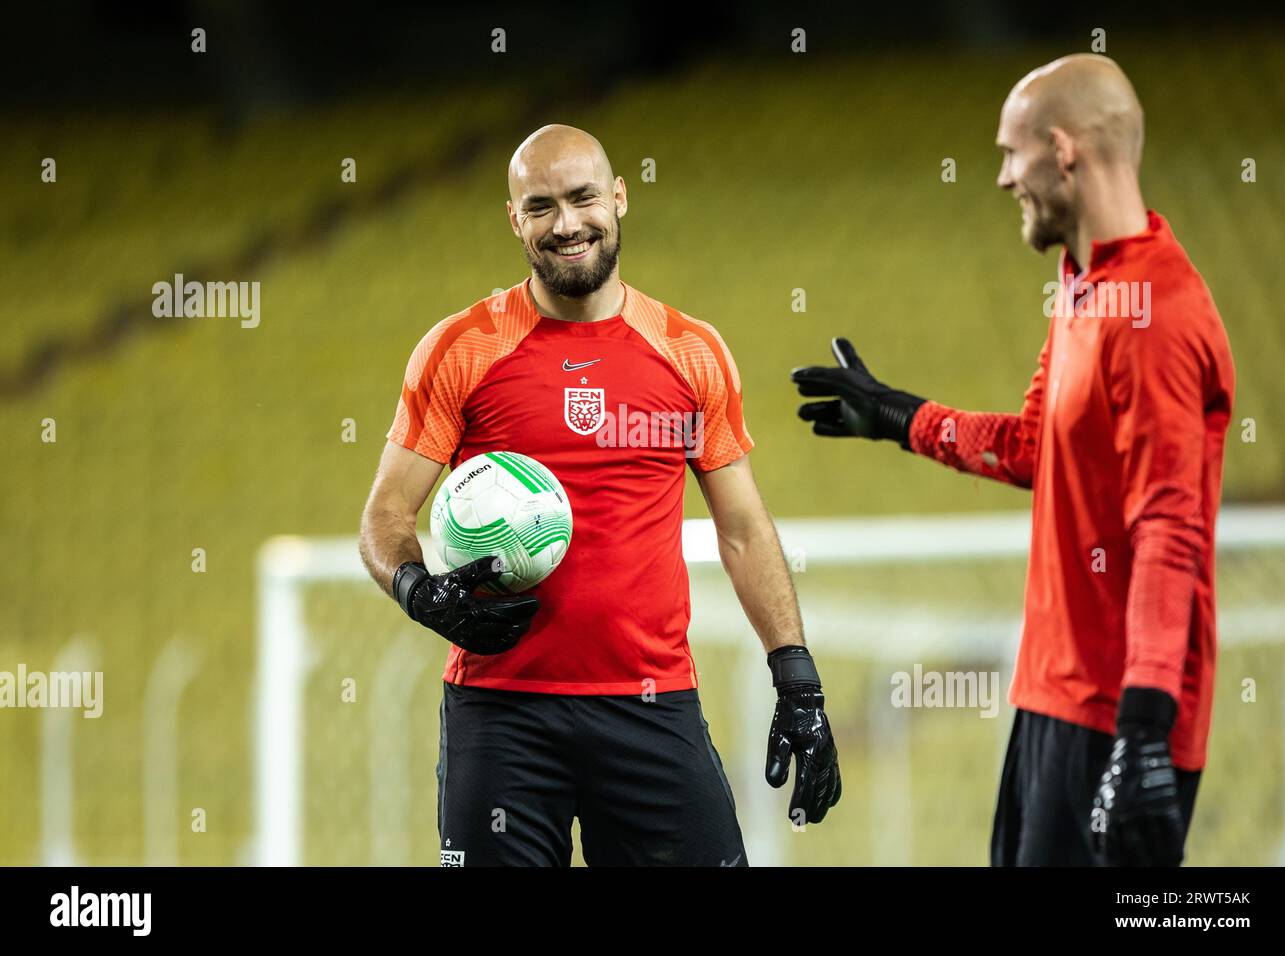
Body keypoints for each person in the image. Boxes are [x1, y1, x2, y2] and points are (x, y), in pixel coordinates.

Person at [792, 55, 1234, 866]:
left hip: (1116, 715)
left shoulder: (1156, 313)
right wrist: (898, 415)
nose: (1001, 178)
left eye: (1010, 152)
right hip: (1055, 699)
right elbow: (1036, 447)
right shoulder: (1083, 286)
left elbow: (1169, 532)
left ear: (1062, 150)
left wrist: (1143, 730)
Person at [360, 124, 840, 866]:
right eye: (541, 206)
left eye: (583, 198)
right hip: (503, 713)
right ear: (515, 220)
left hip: (651, 705)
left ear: (618, 198)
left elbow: (742, 528)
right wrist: (420, 591)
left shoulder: (689, 350)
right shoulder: (462, 348)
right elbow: (386, 517)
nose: (567, 223)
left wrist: (797, 676)